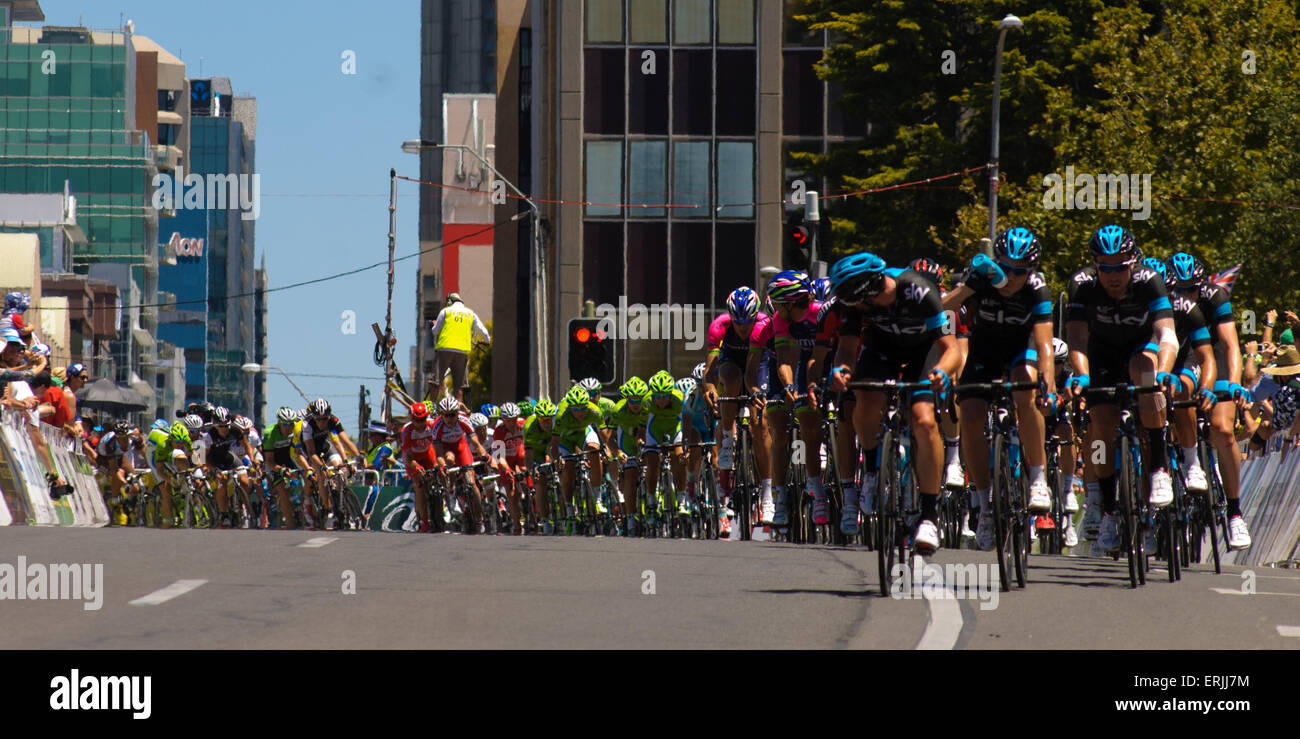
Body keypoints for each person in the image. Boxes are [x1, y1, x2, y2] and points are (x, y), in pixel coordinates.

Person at [428, 292, 491, 403]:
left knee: (436, 381)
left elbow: (435, 331)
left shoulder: (445, 311)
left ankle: (432, 406)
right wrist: (485, 341)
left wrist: (434, 324)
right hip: (461, 352)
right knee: (459, 385)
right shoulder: (470, 314)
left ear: (449, 301)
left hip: (444, 350)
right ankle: (459, 409)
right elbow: (485, 334)